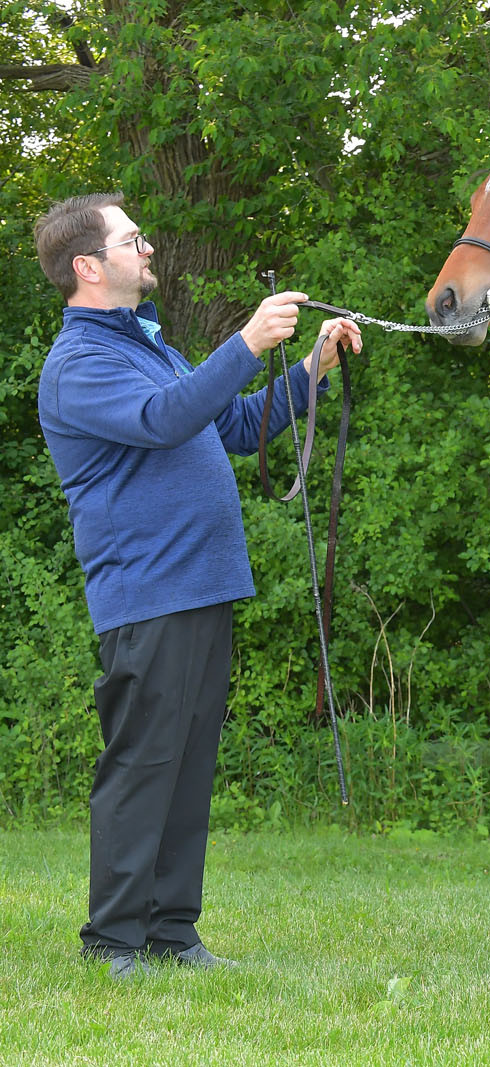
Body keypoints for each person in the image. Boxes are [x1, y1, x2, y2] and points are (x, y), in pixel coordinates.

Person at [32, 192, 361, 979]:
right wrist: (246, 341)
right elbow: (163, 420)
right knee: (143, 765)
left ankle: (172, 933)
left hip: (202, 585)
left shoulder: (150, 346)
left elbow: (236, 426)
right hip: (148, 592)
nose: (147, 248)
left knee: (184, 768)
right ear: (88, 266)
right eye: (131, 239)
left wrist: (311, 366)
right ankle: (113, 941)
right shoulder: (79, 363)